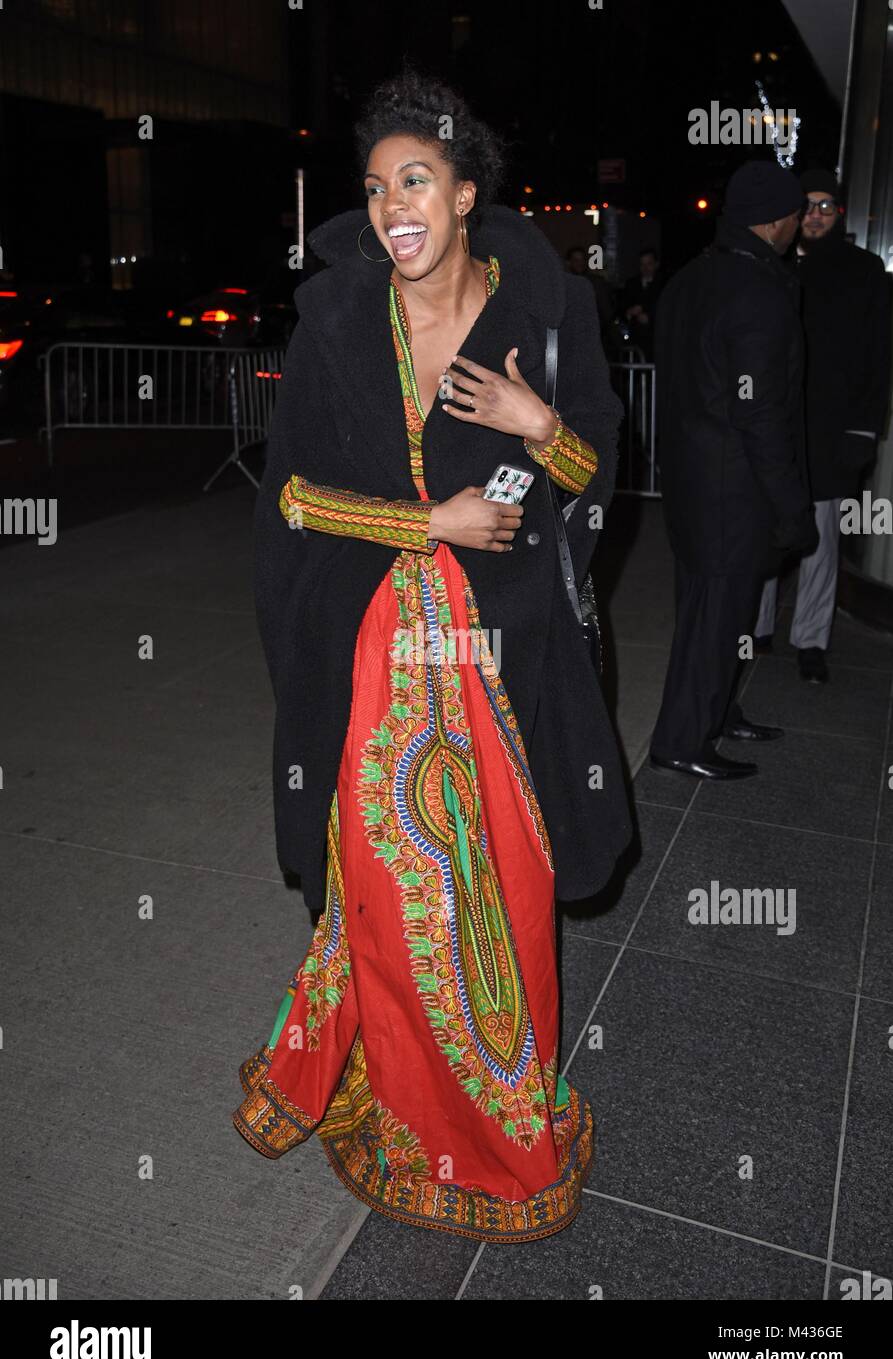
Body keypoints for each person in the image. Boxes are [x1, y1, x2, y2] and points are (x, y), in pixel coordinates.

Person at [232, 67, 633, 1243]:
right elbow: (295, 494)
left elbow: (598, 472)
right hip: (373, 662)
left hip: (503, 660)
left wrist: (539, 427)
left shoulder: (547, 318)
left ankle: (503, 1112)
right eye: (373, 188)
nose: (392, 206)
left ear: (464, 193)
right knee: (393, 891)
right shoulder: (337, 324)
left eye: (415, 181)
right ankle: (409, 1119)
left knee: (500, 895)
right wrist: (427, 523)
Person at [650, 160, 818, 780]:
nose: (802, 223)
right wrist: (791, 506)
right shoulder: (758, 292)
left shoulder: (691, 279)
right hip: (733, 487)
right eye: (798, 213)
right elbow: (761, 414)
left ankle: (716, 712)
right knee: (718, 613)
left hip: (694, 481)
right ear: (775, 220)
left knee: (709, 610)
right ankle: (681, 742)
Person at [754, 167, 893, 682]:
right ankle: (759, 626)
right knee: (767, 530)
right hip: (776, 429)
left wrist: (863, 431)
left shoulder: (865, 270)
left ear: (838, 214)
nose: (815, 215)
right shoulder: (772, 262)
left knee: (821, 541)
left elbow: (877, 360)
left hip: (834, 433)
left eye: (825, 207)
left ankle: (811, 639)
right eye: (807, 206)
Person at [620, 247, 663, 357]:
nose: (645, 268)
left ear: (656, 264)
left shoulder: (663, 284)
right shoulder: (631, 284)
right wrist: (628, 312)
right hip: (634, 337)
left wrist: (649, 316)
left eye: (649, 264)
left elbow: (665, 307)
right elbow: (621, 306)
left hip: (655, 338)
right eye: (642, 264)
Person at [565, 244, 616, 339]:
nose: (580, 263)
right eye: (576, 260)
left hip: (593, 334)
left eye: (582, 260)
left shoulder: (596, 283)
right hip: (569, 334)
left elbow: (607, 312)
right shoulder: (563, 284)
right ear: (568, 262)